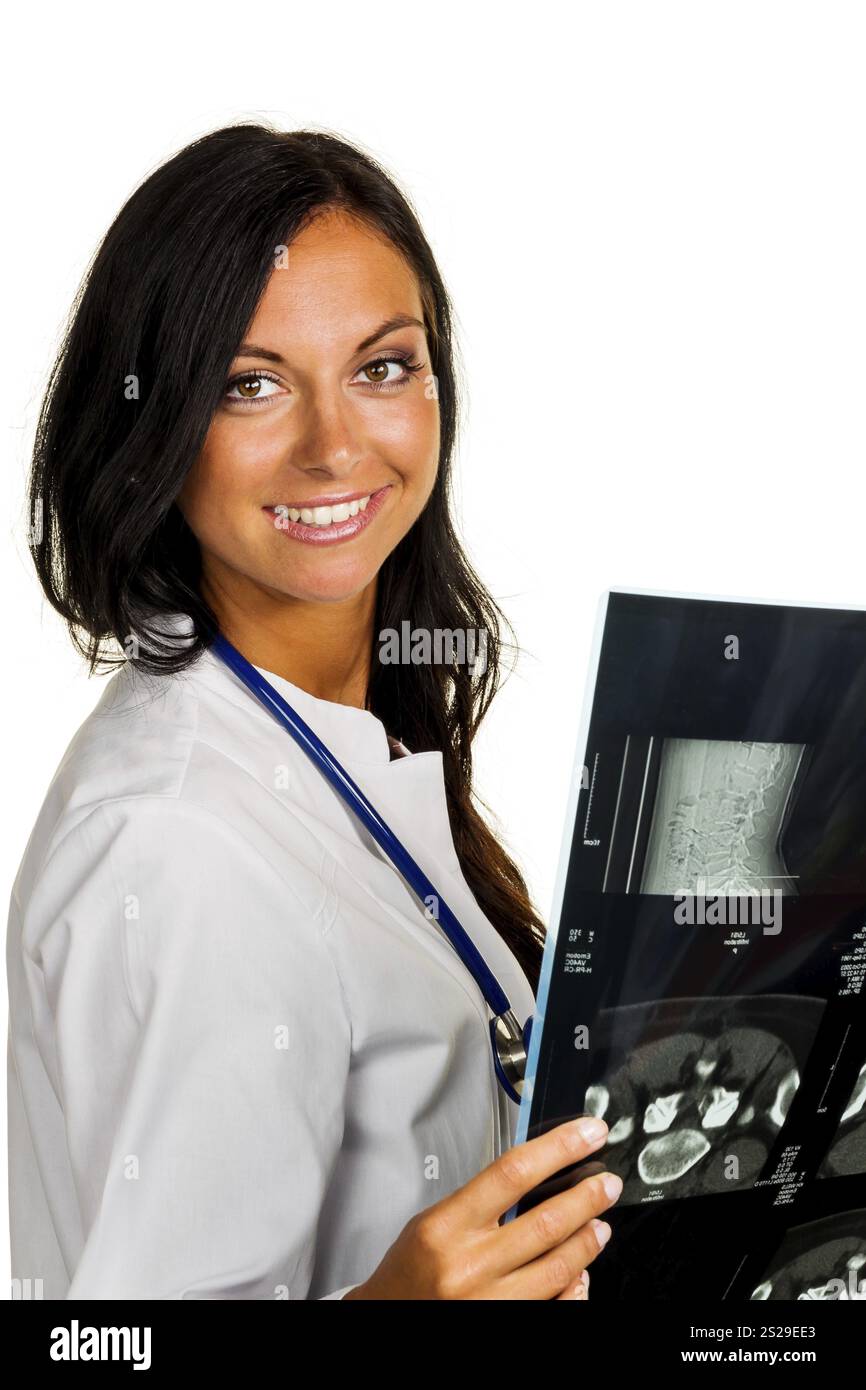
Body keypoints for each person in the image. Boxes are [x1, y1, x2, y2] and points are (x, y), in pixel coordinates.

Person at [8, 123, 621, 1300]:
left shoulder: (336, 727)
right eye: (250, 385)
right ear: (153, 432)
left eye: (381, 366)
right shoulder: (175, 842)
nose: (333, 447)